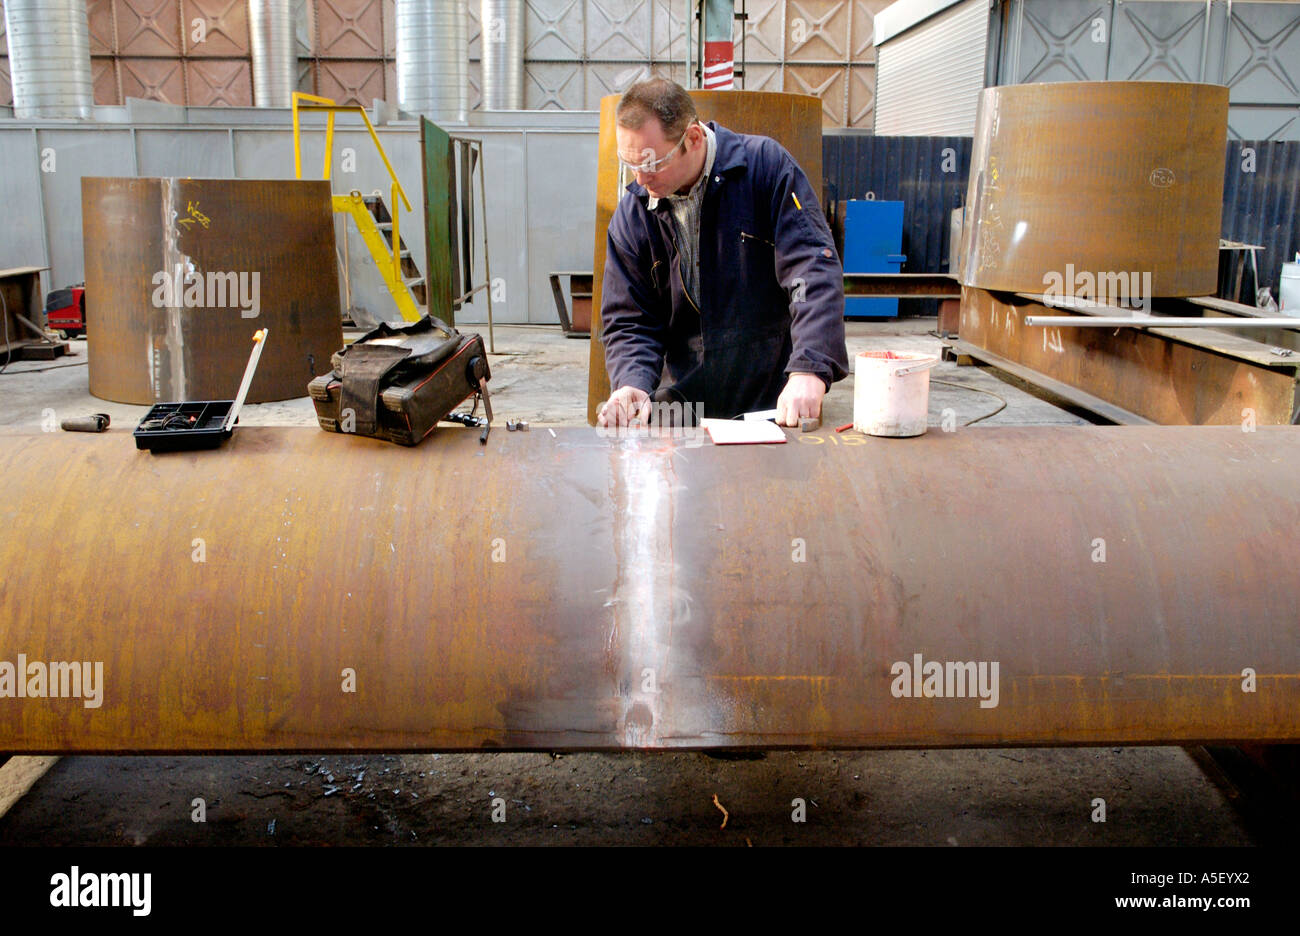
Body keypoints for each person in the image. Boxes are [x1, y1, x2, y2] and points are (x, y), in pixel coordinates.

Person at [596, 78, 849, 428]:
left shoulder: (766, 170)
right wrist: (632, 382)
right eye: (631, 164)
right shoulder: (634, 216)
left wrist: (810, 366)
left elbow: (810, 271)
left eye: (653, 164)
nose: (640, 179)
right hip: (685, 402)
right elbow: (629, 320)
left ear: (693, 138)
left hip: (772, 402)